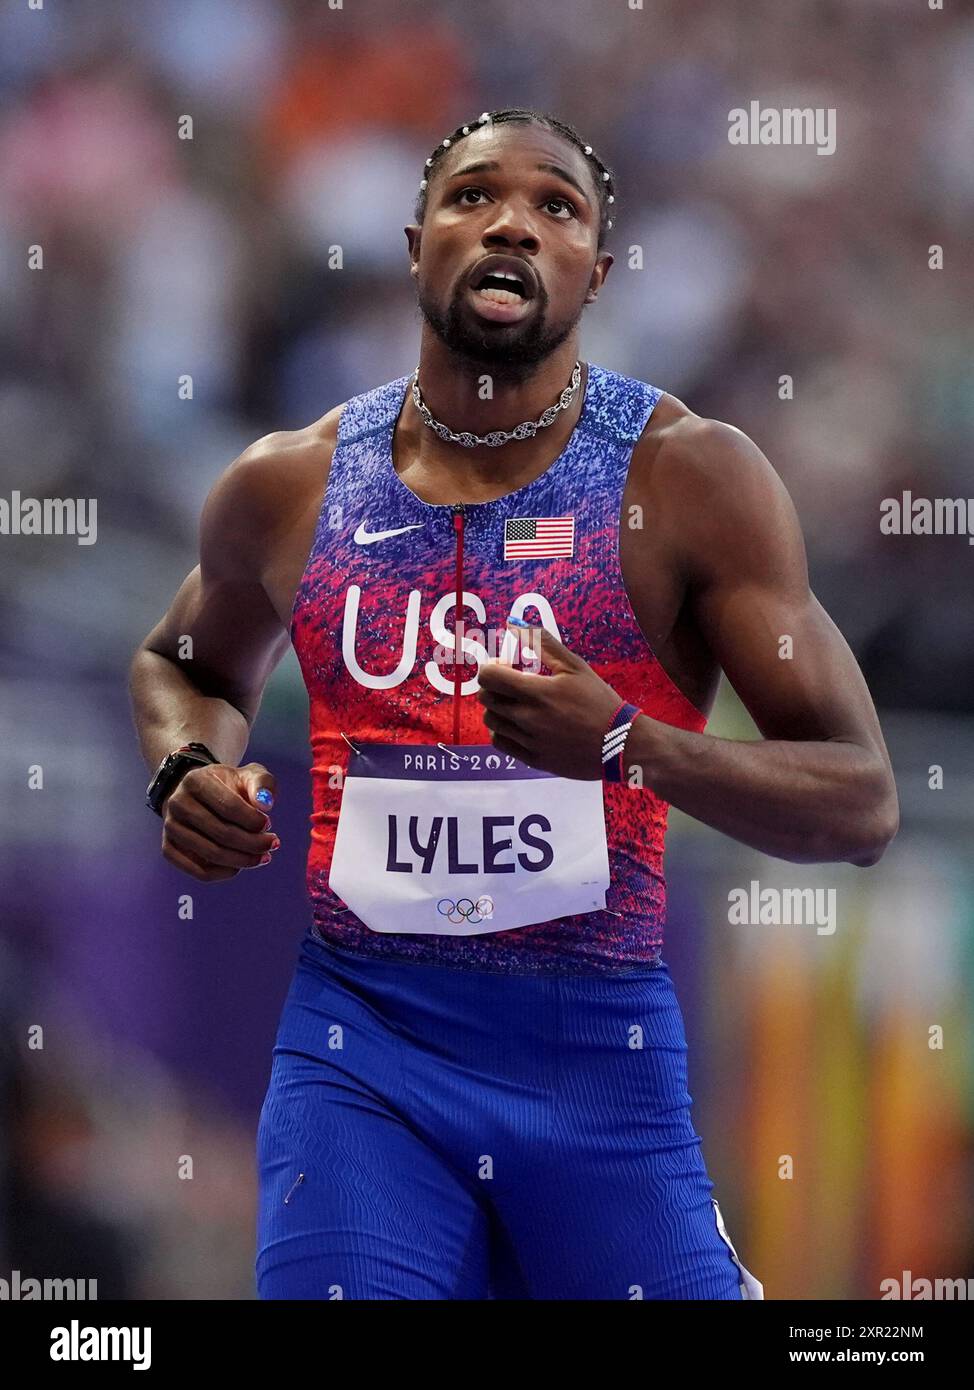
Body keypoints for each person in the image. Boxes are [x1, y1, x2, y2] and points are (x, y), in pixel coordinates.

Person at [129, 108, 898, 1300]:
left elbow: (858, 803)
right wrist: (187, 769)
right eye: (473, 195)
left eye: (556, 208)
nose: (511, 225)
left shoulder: (688, 478)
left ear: (594, 269)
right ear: (414, 240)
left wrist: (629, 746)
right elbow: (187, 665)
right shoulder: (289, 483)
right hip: (361, 1044)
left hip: (596, 1055)